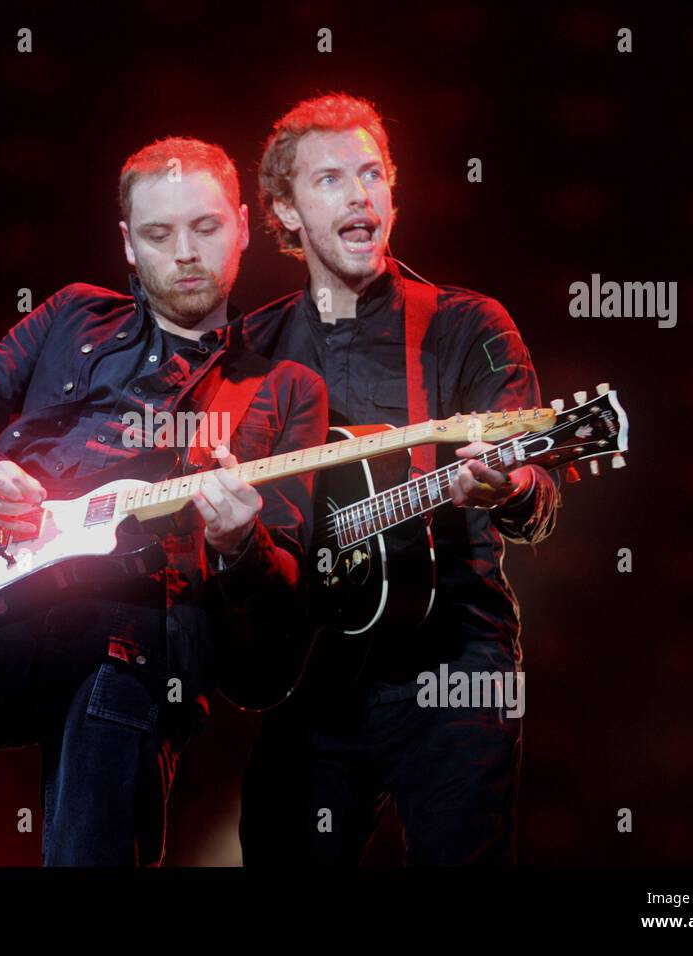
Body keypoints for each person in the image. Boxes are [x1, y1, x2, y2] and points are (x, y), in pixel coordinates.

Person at [0, 136, 327, 866]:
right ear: (127, 244)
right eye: (158, 233)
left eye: (205, 227)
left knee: (94, 854)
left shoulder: (286, 389)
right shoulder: (74, 317)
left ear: (240, 224)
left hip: (134, 640)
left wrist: (243, 544)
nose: (185, 252)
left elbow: (286, 589)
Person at [239, 93, 560, 866]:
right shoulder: (250, 349)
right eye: (329, 181)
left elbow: (539, 494)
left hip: (453, 664)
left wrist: (507, 487)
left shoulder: (467, 323)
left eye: (373, 175)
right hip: (313, 671)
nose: (359, 196)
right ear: (282, 211)